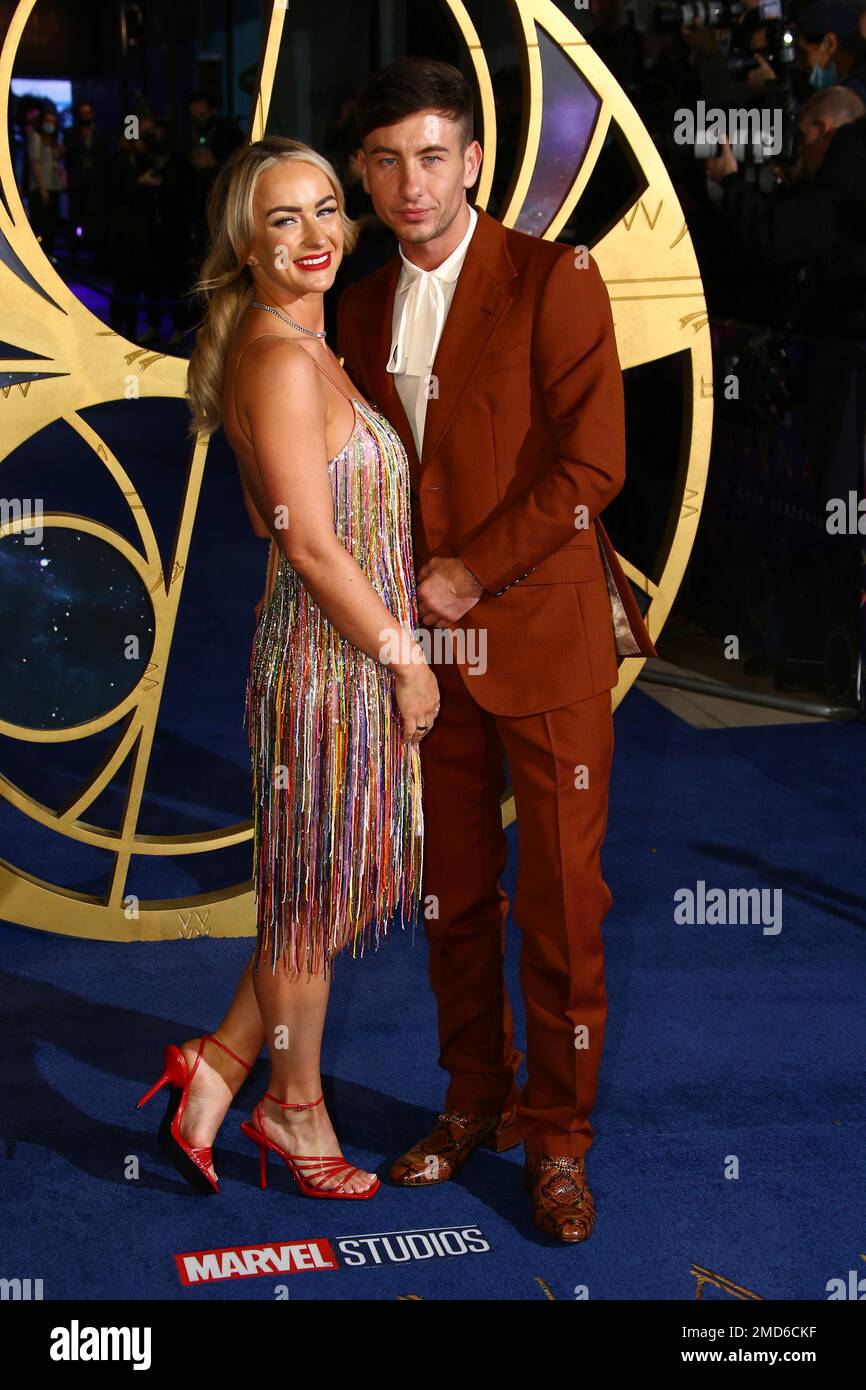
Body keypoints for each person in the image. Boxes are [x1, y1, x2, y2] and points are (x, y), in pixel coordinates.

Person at [337, 58, 657, 1242]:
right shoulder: (360, 306)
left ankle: (559, 1138)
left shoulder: (551, 277)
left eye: (431, 155)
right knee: (451, 898)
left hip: (543, 636)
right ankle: (474, 1098)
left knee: (563, 907)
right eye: (384, 160)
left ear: (471, 160)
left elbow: (592, 468)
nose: (409, 182)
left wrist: (475, 569)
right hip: (424, 654)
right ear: (363, 176)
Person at [136, 136, 438, 1200]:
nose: (313, 236)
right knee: (312, 905)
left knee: (324, 897)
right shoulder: (272, 355)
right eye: (282, 220)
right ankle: (291, 1106)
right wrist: (404, 656)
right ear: (244, 243)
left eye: (323, 210)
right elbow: (308, 542)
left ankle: (218, 1065)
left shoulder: (308, 345)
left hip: (336, 657)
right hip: (325, 668)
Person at [705, 85, 866, 337]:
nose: (798, 149)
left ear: (823, 128)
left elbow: (773, 236)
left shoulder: (848, 175)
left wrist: (730, 179)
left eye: (801, 138)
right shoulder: (849, 166)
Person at [26, 105, 66, 260]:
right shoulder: (36, 137)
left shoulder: (54, 141)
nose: (50, 125)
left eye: (53, 122)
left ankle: (49, 253)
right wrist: (42, 188)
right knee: (40, 222)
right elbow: (35, 163)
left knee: (51, 224)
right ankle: (38, 256)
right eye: (48, 121)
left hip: (54, 186)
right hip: (41, 187)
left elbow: (58, 161)